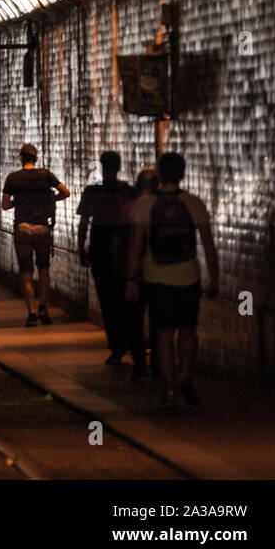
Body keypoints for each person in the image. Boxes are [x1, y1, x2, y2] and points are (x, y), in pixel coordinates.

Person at [125, 152, 219, 408]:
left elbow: (135, 248)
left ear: (159, 175)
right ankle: (185, 376)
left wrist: (132, 280)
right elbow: (209, 246)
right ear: (183, 173)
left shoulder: (144, 205)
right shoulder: (193, 203)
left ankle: (168, 389)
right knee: (188, 331)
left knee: (163, 334)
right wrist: (215, 278)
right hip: (189, 278)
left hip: (157, 280)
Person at [1, 143, 70, 326]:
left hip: (23, 229)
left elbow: (5, 205)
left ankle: (31, 313)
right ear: (36, 158)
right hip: (42, 229)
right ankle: (43, 307)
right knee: (44, 269)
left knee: (26, 273)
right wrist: (50, 198)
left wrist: (19, 202)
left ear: (20, 157)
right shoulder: (45, 175)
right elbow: (65, 192)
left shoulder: (13, 178)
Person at [77, 152, 135, 365]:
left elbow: (84, 223)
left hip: (100, 248)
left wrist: (81, 249)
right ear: (119, 166)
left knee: (107, 300)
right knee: (125, 299)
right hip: (125, 250)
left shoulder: (92, 192)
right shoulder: (129, 192)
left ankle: (116, 345)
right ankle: (128, 339)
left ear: (101, 166)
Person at [121, 167, 159, 380]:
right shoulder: (163, 209)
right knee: (158, 322)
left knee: (133, 322)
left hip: (135, 274)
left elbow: (121, 244)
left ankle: (139, 365)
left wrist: (127, 276)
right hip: (160, 274)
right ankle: (157, 364)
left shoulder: (127, 210)